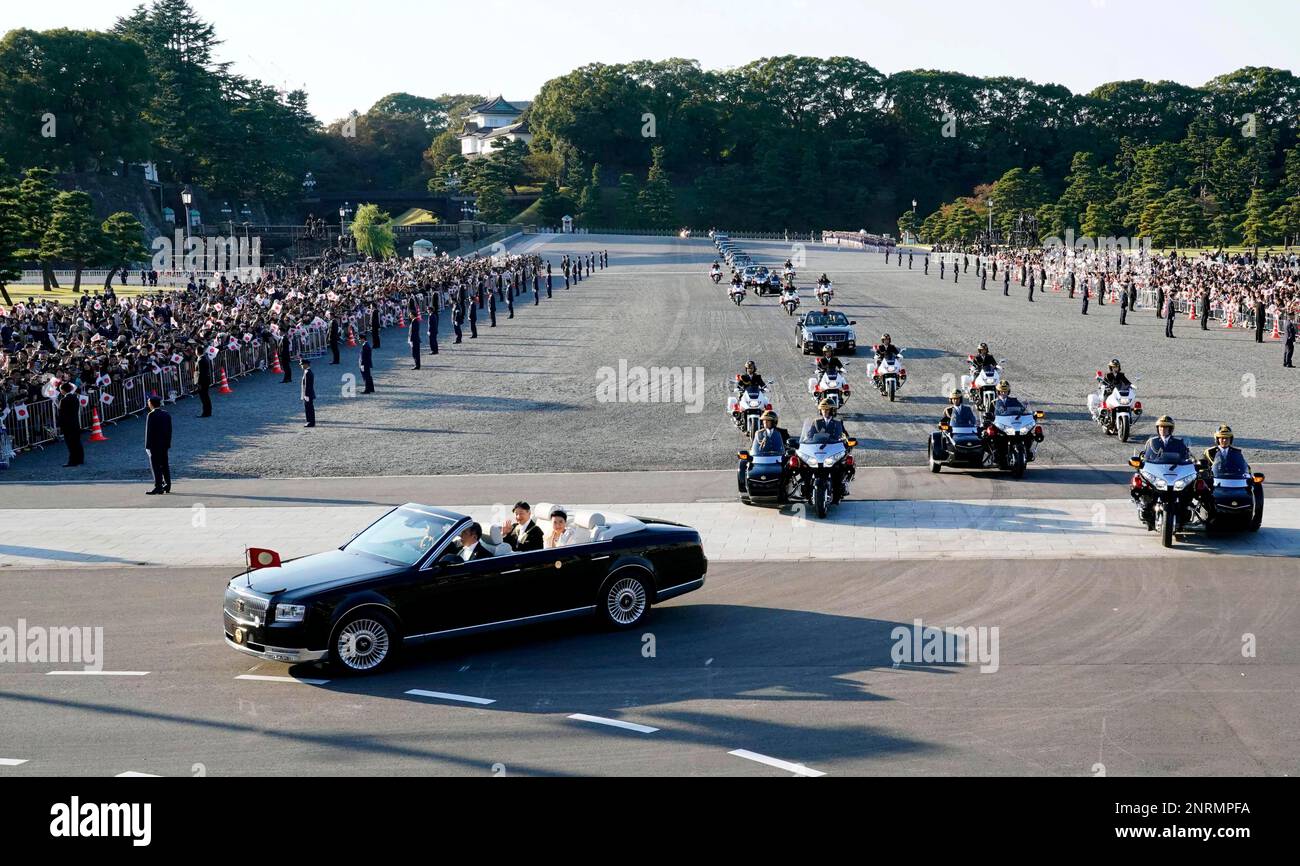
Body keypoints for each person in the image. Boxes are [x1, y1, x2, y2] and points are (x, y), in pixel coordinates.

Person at [144, 395, 172, 495]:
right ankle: (168, 485)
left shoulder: (151, 415)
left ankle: (158, 486)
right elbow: (169, 430)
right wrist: (168, 443)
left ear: (151, 404)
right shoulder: (166, 414)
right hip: (164, 444)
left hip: (154, 445)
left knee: (155, 466)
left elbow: (149, 432)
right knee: (165, 465)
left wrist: (147, 446)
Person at [57, 381, 84, 467]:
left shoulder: (64, 400)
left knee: (70, 443)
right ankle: (80, 459)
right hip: (75, 422)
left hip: (67, 425)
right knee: (77, 442)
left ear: (63, 390)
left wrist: (60, 425)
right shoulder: (75, 398)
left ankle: (72, 461)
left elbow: (62, 414)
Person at [195, 347, 213, 417]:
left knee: (204, 397)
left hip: (202, 381)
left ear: (197, 351)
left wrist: (198, 383)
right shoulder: (205, 358)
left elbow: (200, 373)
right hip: (206, 380)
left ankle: (205, 413)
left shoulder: (200, 360)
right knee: (206, 396)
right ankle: (208, 412)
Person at [300, 358, 316, 427]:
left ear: (306, 364)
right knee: (309, 408)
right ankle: (310, 421)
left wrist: (305, 395)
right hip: (309, 394)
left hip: (308, 394)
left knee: (308, 408)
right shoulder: (307, 372)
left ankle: (310, 422)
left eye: (302, 364)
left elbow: (307, 385)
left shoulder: (307, 372)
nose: (301, 366)